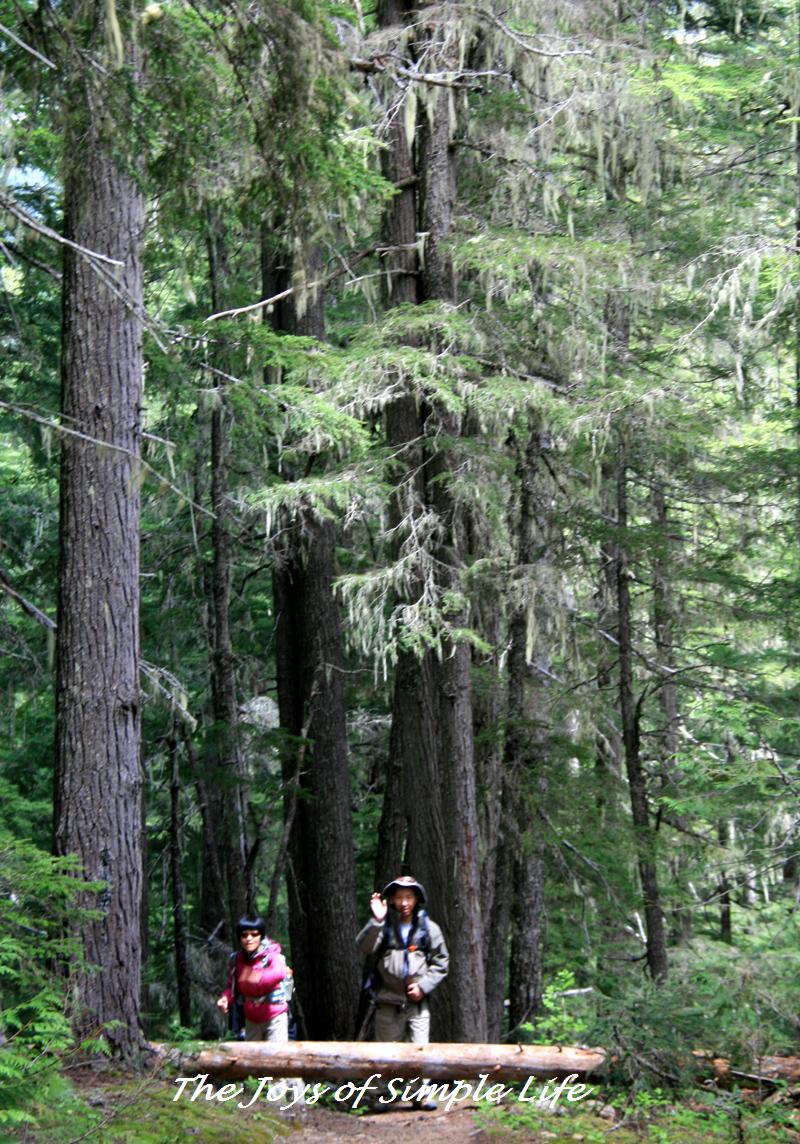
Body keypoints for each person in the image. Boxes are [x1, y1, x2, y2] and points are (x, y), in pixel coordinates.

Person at [357, 875, 449, 1045]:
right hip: (387, 1005)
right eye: (399, 897)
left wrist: (423, 987)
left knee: (419, 1058)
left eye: (408, 897)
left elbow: (441, 962)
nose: (404, 903)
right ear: (392, 900)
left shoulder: (429, 928)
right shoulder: (384, 928)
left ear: (416, 899)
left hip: (417, 1006)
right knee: (387, 1060)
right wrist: (377, 920)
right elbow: (365, 947)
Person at [217, 915, 290, 1042]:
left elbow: (279, 972)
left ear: (261, 936)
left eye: (254, 934)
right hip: (251, 1020)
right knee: (252, 1059)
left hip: (275, 1017)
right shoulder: (236, 959)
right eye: (244, 935)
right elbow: (232, 987)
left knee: (275, 1059)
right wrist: (225, 998)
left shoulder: (272, 954)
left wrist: (254, 976)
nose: (249, 939)